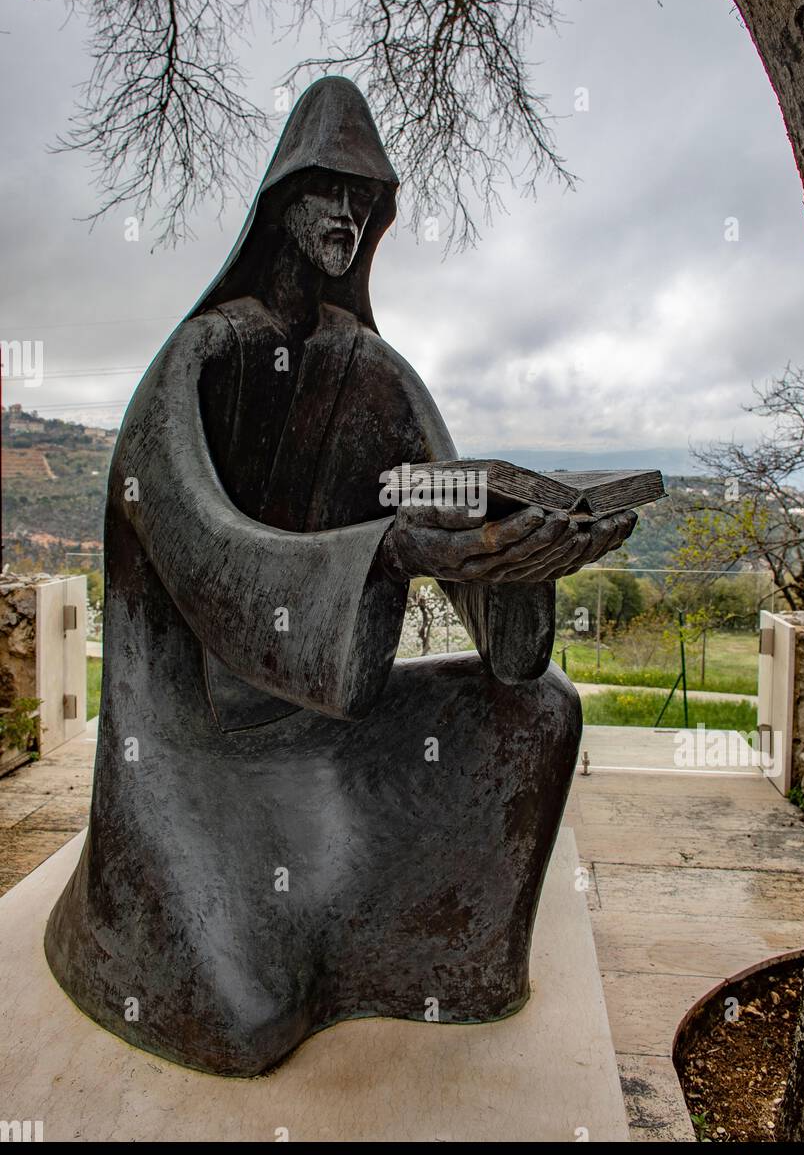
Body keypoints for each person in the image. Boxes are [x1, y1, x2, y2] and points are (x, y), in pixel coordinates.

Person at [45, 77, 635, 1075]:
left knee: (538, 713)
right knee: (245, 1019)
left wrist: (523, 557)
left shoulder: (374, 373)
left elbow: (439, 496)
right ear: (282, 200)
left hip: (327, 725)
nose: (351, 217)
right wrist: (392, 550)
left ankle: (408, 953)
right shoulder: (195, 363)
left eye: (368, 201)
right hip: (193, 748)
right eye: (331, 191)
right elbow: (212, 555)